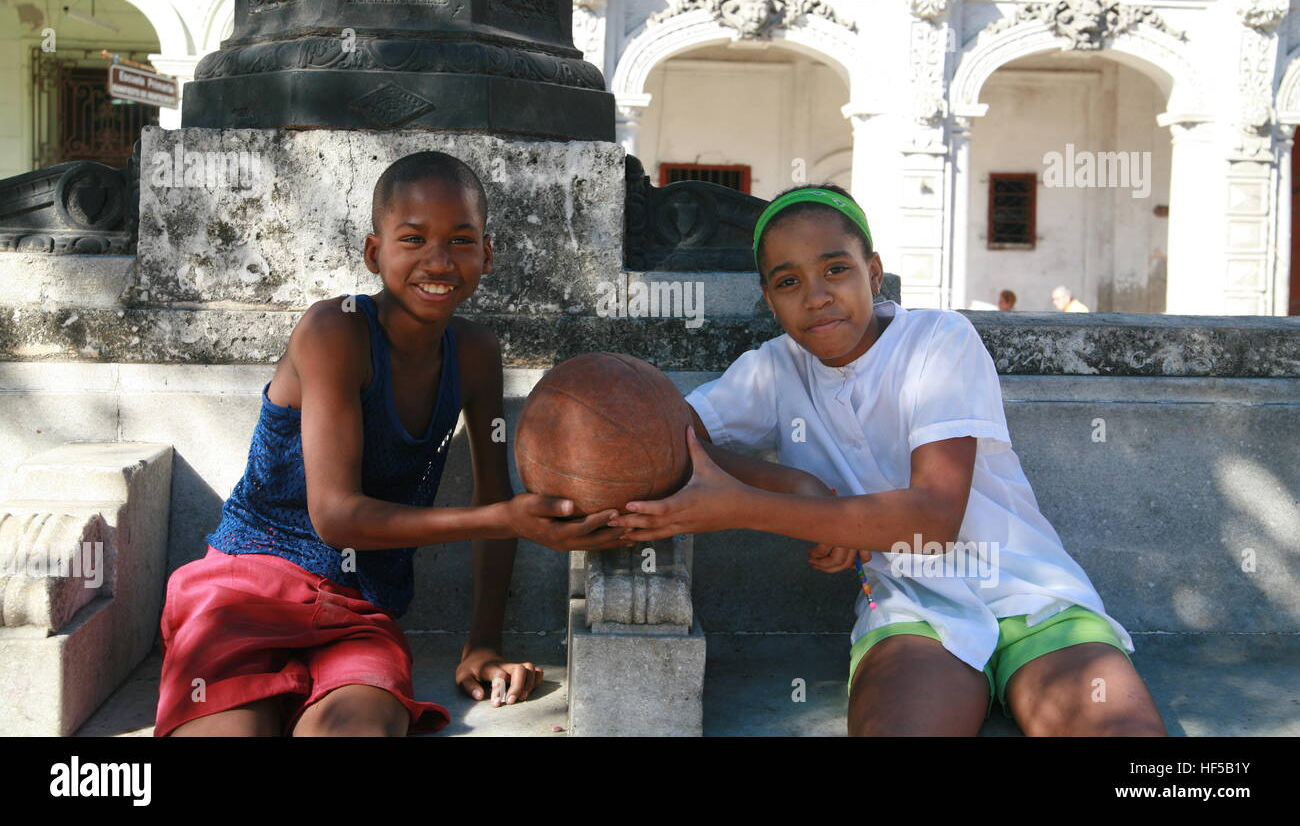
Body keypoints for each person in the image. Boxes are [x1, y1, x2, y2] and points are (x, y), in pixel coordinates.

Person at [610, 184, 1165, 736]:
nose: (816, 296)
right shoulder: (771, 371)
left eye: (835, 270)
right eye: (788, 282)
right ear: (768, 300)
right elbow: (666, 440)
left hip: (1031, 592)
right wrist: (796, 485)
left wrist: (742, 507)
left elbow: (933, 519)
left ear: (872, 273)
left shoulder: (938, 340)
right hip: (909, 612)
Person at [154, 151, 626, 737]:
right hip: (244, 593)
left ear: (487, 253)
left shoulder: (476, 353)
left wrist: (481, 644)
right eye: (413, 238)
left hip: (357, 615)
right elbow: (336, 517)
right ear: (375, 253)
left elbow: (498, 500)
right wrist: (499, 516)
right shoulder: (336, 330)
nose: (438, 259)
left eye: (460, 239)